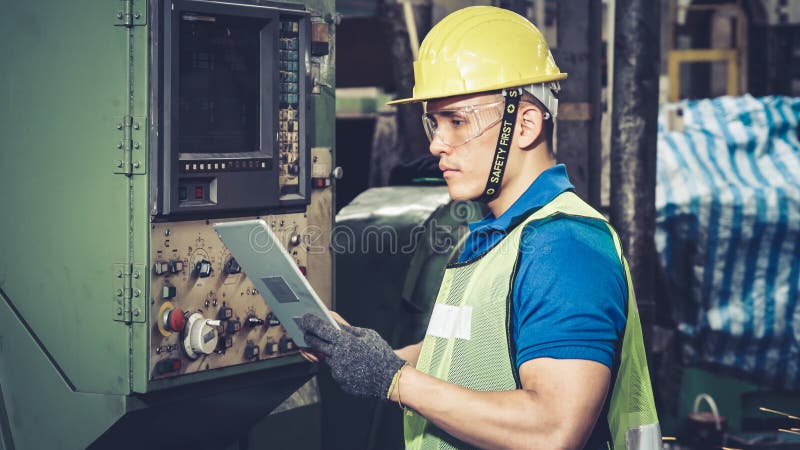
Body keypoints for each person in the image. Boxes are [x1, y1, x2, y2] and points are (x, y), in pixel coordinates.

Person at [299, 6, 660, 449]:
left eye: (457, 121)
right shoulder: (495, 236)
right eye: (434, 122)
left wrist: (395, 380)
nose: (436, 144)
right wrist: (361, 356)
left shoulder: (565, 245)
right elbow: (464, 360)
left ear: (524, 124)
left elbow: (552, 429)